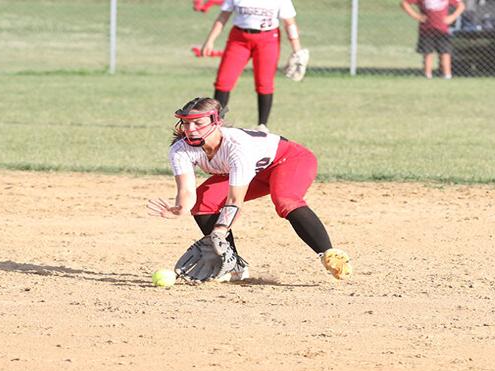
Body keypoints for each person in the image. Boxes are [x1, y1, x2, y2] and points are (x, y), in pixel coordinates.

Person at [146, 97, 351, 282]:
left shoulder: (237, 146)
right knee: (203, 202)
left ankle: (330, 254)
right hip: (254, 172)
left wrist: (219, 230)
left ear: (217, 122)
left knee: (285, 200)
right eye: (186, 123)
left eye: (198, 123)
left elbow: (235, 201)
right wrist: (181, 207)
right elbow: (187, 191)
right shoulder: (180, 149)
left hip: (288, 161)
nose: (190, 129)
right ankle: (233, 265)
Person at [200, 0, 305, 129]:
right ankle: (217, 124)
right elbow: (223, 16)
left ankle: (262, 126)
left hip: (267, 39)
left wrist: (297, 50)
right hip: (239, 39)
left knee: (264, 83)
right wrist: (210, 41)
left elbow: (290, 24)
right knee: (223, 81)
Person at [400, 0, 464, 79]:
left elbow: (461, 5)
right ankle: (428, 75)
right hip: (426, 30)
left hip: (443, 30)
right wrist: (417, 16)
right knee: (428, 53)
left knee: (445, 53)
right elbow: (404, 3)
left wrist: (452, 17)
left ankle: (447, 75)